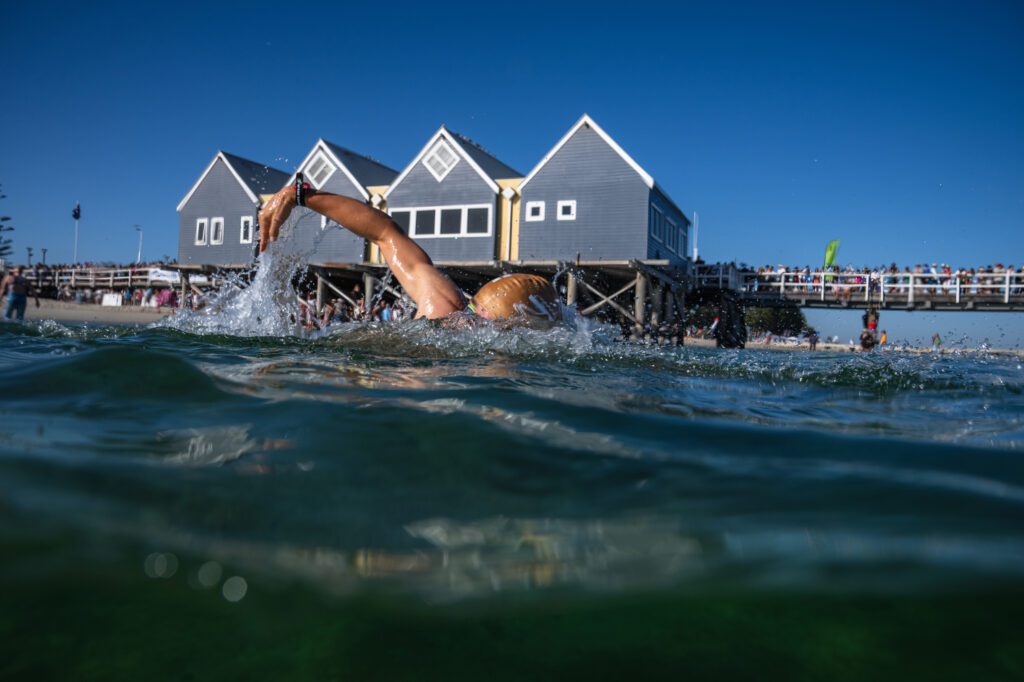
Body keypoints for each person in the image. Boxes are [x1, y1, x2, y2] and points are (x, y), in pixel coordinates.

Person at [259, 177, 560, 324]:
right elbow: (385, 234)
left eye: (474, 309)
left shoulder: (443, 310)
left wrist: (301, 195)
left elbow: (385, 233)